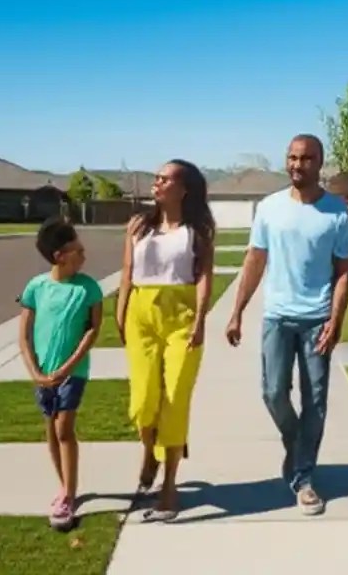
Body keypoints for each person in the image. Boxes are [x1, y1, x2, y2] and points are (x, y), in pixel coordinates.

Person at [225, 134, 348, 516]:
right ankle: (296, 441)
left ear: (320, 163)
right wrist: (237, 311)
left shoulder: (337, 213)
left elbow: (344, 273)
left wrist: (336, 319)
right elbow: (254, 260)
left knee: (315, 400)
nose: (298, 164)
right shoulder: (269, 208)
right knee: (272, 392)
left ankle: (303, 477)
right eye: (293, 157)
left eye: (306, 158)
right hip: (277, 317)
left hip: (317, 320)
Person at [117, 159, 215, 522]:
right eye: (155, 177)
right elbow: (127, 273)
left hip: (182, 316)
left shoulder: (199, 228)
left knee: (174, 399)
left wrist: (201, 318)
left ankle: (169, 488)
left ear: (184, 188)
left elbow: (204, 275)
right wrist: (121, 312)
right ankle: (149, 450)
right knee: (143, 402)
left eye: (164, 178)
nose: (156, 183)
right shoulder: (138, 225)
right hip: (141, 313)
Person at [17, 216, 104, 530]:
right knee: (51, 429)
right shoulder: (36, 287)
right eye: (77, 250)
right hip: (44, 373)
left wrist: (68, 367)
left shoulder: (88, 288)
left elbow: (92, 330)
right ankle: (63, 483)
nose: (84, 255)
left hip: (74, 371)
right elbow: (24, 334)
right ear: (59, 256)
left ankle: (69, 493)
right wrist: (36, 372)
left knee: (65, 426)